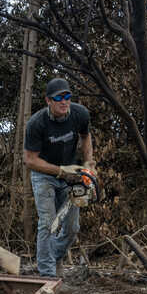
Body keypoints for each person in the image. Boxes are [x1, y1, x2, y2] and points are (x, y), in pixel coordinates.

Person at [23, 77, 94, 277]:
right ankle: (47, 275)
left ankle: (54, 256)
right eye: (58, 98)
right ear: (48, 100)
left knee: (72, 227)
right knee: (48, 223)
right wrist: (61, 171)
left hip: (72, 175)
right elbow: (29, 160)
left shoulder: (80, 114)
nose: (64, 101)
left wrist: (89, 163)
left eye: (67, 96)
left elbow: (86, 136)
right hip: (43, 175)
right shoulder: (36, 123)